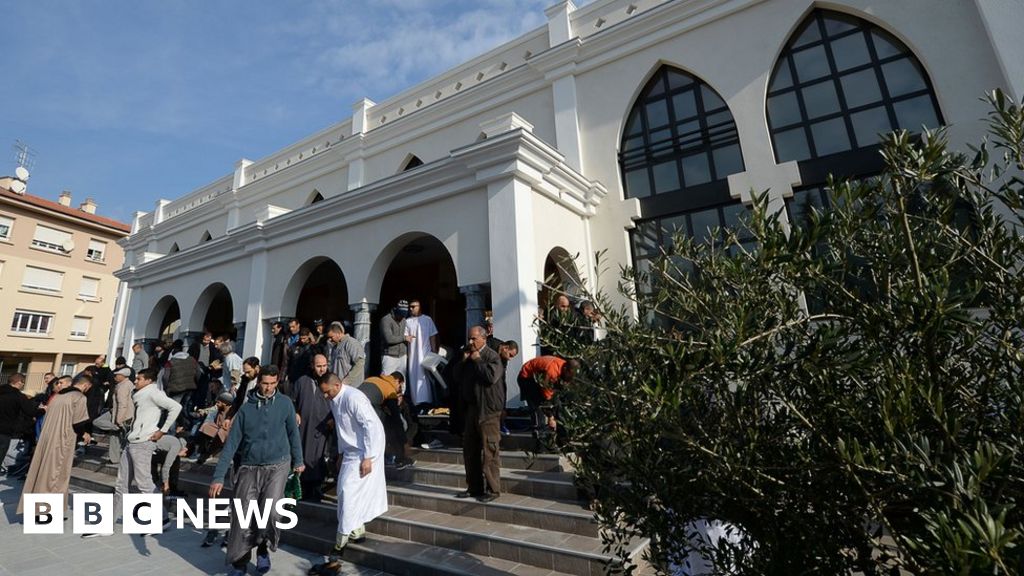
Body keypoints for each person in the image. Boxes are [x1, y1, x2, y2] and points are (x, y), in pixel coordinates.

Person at [210, 366, 304, 576]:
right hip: (249, 466)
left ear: (277, 381)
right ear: (258, 382)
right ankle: (240, 562)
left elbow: (293, 434)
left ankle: (262, 548)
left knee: (270, 512)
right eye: (265, 383)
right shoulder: (245, 409)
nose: (268, 388)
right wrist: (218, 476)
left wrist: (299, 460)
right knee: (243, 515)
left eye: (272, 383)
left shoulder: (285, 404)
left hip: (278, 465)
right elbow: (232, 444)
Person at [83, 368, 182, 538]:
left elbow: (176, 406)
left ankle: (162, 520)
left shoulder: (153, 393)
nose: (136, 381)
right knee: (121, 485)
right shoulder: (140, 395)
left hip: (144, 443)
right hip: (132, 442)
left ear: (148, 381)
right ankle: (107, 525)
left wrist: (162, 430)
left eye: (139, 379)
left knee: (145, 484)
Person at [308, 372, 387, 576]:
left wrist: (369, 456)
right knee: (345, 492)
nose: (325, 397)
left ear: (337, 385)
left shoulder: (354, 398)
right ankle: (357, 530)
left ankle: (338, 548)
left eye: (327, 392)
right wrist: (341, 453)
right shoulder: (335, 399)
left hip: (366, 448)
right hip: (351, 450)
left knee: (348, 492)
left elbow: (370, 425)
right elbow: (344, 428)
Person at [17, 374, 93, 515]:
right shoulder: (79, 397)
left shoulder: (56, 397)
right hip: (61, 441)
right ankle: (44, 513)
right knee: (55, 476)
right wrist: (85, 434)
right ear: (85, 386)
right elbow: (78, 423)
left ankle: (39, 510)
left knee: (42, 473)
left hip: (46, 439)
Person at [454, 326, 503, 502]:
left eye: (474, 339)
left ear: (483, 338)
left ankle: (493, 489)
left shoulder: (492, 356)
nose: (470, 342)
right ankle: (474, 487)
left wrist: (478, 361)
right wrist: (463, 361)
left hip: (488, 410)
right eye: (469, 339)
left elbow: (490, 377)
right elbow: (455, 377)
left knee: (489, 450)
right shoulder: (467, 355)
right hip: (471, 408)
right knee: (470, 449)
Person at [291, 353, 333, 501]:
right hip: (304, 427)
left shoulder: (330, 381)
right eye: (318, 366)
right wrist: (295, 412)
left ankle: (316, 489)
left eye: (324, 366)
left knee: (318, 458)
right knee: (303, 456)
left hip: (322, 427)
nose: (322, 369)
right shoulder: (303, 381)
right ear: (312, 366)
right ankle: (301, 489)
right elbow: (293, 400)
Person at [357, 372, 413, 469]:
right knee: (392, 425)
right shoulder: (390, 389)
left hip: (354, 407)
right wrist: (404, 442)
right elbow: (397, 420)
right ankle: (401, 459)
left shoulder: (373, 378)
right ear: (397, 381)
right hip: (367, 409)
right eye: (400, 386)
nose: (399, 390)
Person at [517, 356, 579, 435]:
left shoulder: (563, 365)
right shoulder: (552, 372)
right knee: (537, 406)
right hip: (527, 378)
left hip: (539, 378)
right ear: (565, 369)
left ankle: (562, 432)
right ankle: (538, 433)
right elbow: (546, 395)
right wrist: (550, 417)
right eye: (569, 374)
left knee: (557, 404)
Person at [92, 367, 136, 464]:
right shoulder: (126, 384)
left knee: (99, 423)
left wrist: (119, 420)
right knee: (114, 438)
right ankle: (114, 459)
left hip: (121, 415)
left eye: (117, 375)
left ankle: (117, 428)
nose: (115, 376)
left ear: (123, 376)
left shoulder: (123, 386)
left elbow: (122, 404)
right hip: (118, 413)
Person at [0, 373, 41, 474]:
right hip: (5, 431)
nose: (23, 386)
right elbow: (31, 412)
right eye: (23, 383)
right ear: (19, 382)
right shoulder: (18, 396)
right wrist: (43, 410)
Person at [404, 299, 439, 405]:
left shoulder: (427, 319)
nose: (411, 309)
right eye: (410, 307)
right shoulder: (407, 321)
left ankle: (428, 401)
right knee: (414, 377)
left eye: (413, 306)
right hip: (413, 356)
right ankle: (417, 403)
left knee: (426, 378)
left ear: (419, 307)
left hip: (426, 354)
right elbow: (405, 337)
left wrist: (434, 353)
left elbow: (432, 336)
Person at [164, 339, 199, 424]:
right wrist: (194, 382)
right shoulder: (193, 360)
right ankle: (186, 425)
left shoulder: (170, 362)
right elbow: (198, 373)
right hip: (190, 388)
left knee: (173, 409)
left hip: (175, 389)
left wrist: (166, 387)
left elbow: (165, 377)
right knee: (185, 407)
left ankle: (171, 428)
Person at [323, 321, 364, 386]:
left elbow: (360, 362)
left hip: (351, 387)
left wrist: (346, 381)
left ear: (338, 333)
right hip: (339, 386)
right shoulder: (334, 347)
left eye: (331, 337)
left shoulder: (351, 342)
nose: (330, 340)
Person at [379, 301, 410, 379]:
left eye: (404, 314)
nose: (402, 316)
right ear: (396, 310)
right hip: (389, 356)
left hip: (402, 356)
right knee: (387, 380)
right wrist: (404, 338)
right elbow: (389, 339)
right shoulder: (386, 320)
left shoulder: (404, 320)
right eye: (401, 313)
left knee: (402, 383)